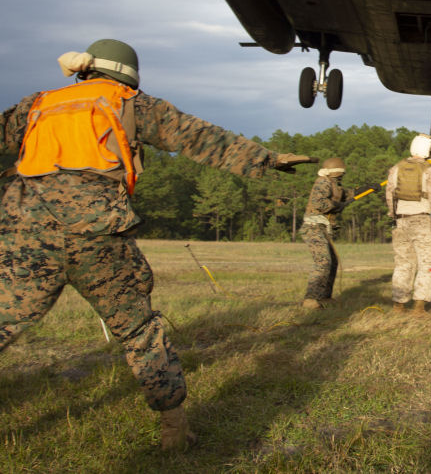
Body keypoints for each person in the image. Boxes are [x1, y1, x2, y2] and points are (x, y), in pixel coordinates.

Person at [0, 40, 315, 451]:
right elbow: (200, 138)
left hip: (26, 232)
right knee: (139, 330)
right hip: (98, 234)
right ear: (129, 73)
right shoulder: (130, 102)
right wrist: (266, 159)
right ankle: (174, 431)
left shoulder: (37, 104)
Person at [384, 133, 431, 317]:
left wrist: (394, 215)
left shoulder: (395, 169)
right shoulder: (429, 171)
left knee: (403, 264)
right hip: (421, 221)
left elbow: (389, 196)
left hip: (400, 221)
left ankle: (398, 306)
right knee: (430, 262)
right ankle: (419, 308)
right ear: (428, 150)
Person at [300, 156, 351, 309]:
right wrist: (337, 205)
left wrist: (367, 189)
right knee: (323, 262)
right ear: (337, 172)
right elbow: (319, 203)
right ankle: (310, 299)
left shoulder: (334, 184)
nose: (342, 175)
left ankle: (324, 296)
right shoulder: (322, 182)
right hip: (313, 227)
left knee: (332, 262)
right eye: (341, 173)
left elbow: (347, 194)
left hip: (323, 228)